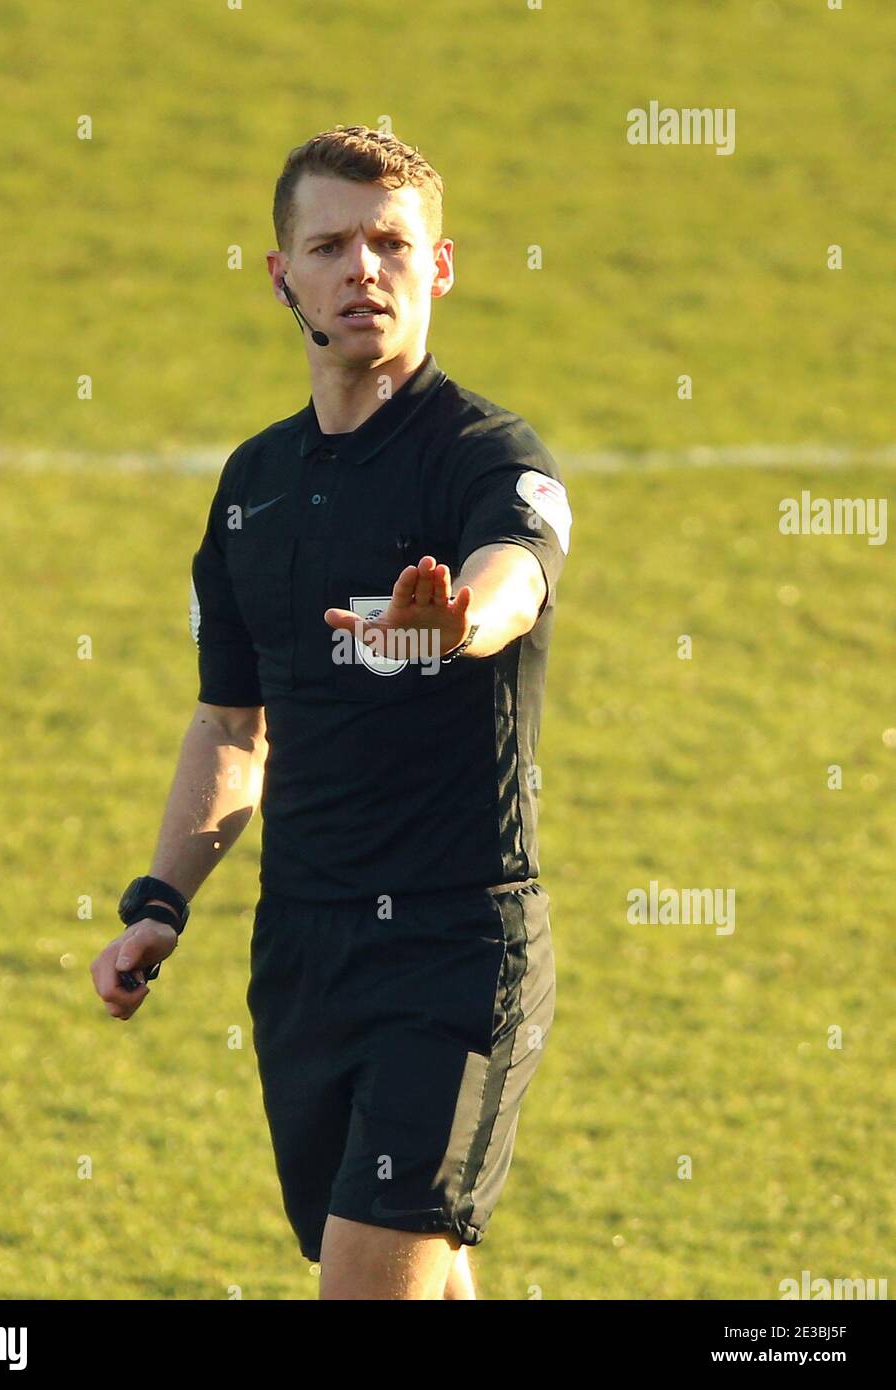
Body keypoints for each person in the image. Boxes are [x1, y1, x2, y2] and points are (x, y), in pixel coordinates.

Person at [91, 125, 573, 1300]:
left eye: (391, 242)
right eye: (332, 243)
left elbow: (519, 567)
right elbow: (230, 725)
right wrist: (161, 901)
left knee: (368, 1284)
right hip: (304, 949)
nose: (364, 267)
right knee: (422, 1275)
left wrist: (463, 620)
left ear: (439, 267)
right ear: (282, 274)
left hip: (455, 946)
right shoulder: (254, 488)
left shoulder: (482, 454)